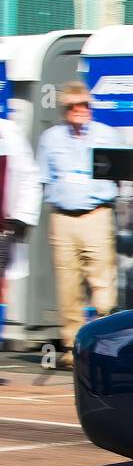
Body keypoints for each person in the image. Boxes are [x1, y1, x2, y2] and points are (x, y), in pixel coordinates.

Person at [37, 81, 120, 368]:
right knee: (68, 285)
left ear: (90, 106)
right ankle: (73, 347)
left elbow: (123, 175)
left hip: (97, 214)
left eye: (83, 105)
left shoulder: (107, 135)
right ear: (64, 109)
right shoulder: (50, 138)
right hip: (62, 218)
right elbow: (44, 178)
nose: (79, 111)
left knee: (103, 283)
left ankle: (102, 341)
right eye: (73, 106)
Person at [0, 115, 42, 328]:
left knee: (0, 281)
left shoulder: (9, 132)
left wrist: (23, 217)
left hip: (3, 226)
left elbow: (28, 176)